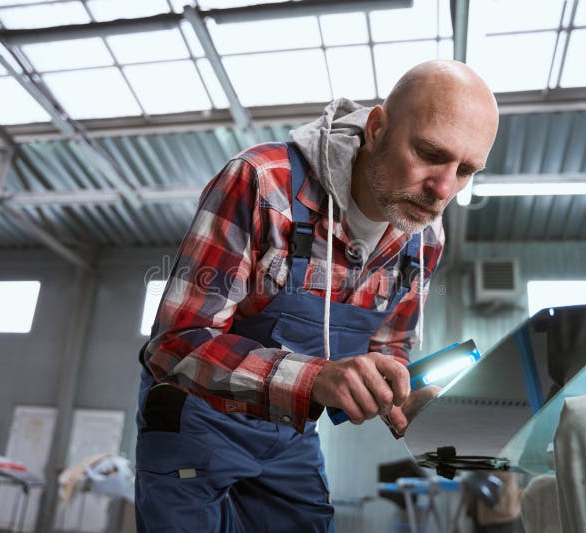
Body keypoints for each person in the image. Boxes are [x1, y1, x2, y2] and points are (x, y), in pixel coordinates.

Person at [135, 60, 500, 532]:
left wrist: (404, 399)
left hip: (288, 437)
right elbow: (176, 344)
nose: (443, 189)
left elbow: (386, 350)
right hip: (195, 423)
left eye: (467, 170)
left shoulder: (424, 237)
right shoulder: (263, 183)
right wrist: (316, 378)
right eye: (430, 153)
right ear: (376, 128)